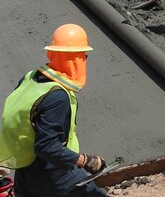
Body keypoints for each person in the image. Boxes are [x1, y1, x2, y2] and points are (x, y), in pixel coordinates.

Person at [0, 24, 106, 196]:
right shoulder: (58, 97)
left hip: (26, 171)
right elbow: (47, 147)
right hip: (51, 175)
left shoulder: (31, 77)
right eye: (84, 56)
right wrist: (86, 161)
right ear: (78, 59)